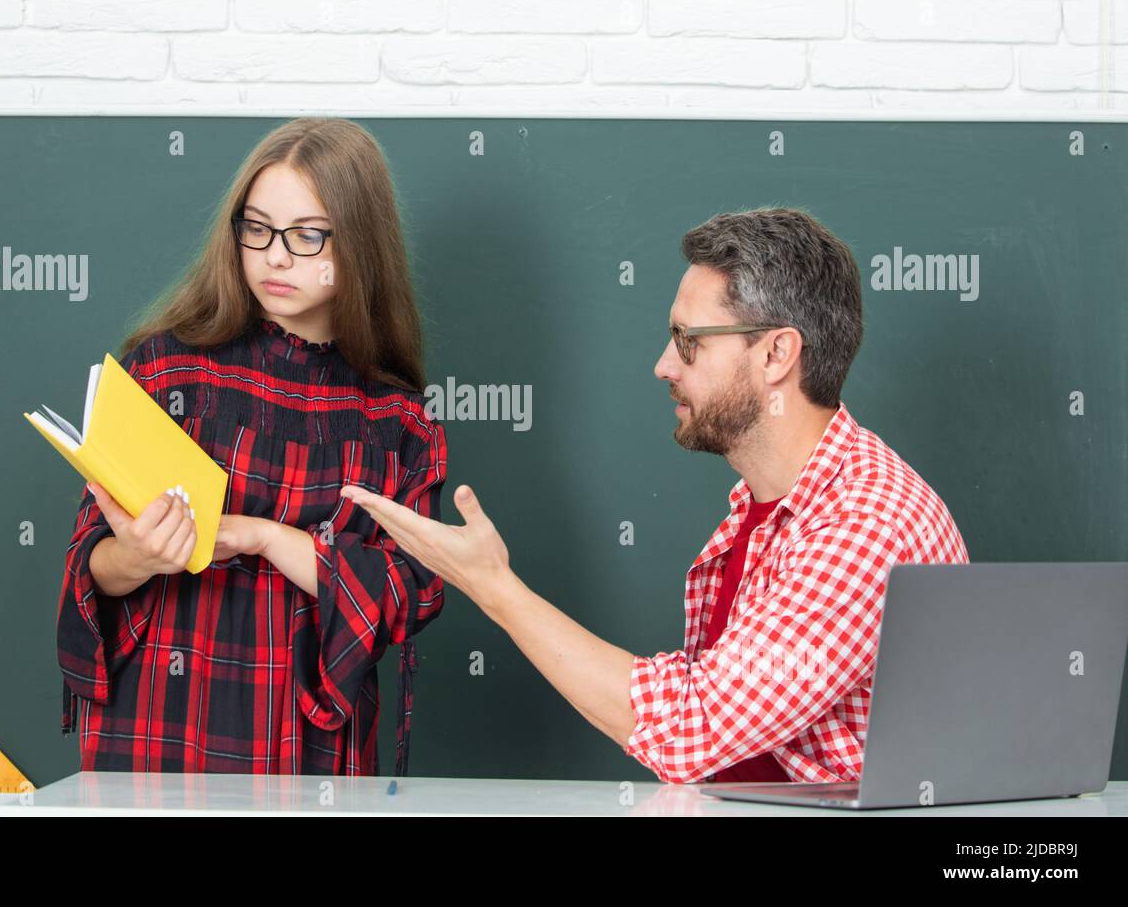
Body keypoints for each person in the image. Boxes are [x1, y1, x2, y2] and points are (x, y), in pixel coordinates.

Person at [340, 207, 969, 784]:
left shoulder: (866, 521)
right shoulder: (765, 510)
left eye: (689, 340)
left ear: (777, 352)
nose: (664, 365)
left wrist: (495, 587)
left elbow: (693, 726)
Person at [55, 117, 447, 776]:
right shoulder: (165, 370)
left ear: (361, 242)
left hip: (310, 756)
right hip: (155, 736)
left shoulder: (398, 422)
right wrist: (140, 554)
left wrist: (264, 536)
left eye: (306, 235)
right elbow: (88, 566)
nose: (275, 256)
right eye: (257, 229)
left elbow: (412, 593)